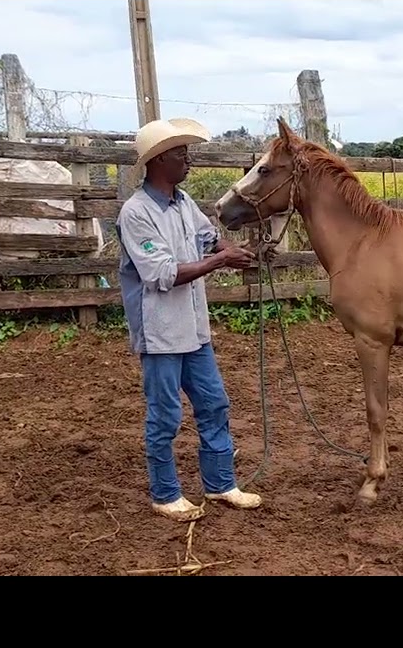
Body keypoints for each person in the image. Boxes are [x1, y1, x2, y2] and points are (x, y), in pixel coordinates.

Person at [116, 117, 262, 523]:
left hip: (194, 329)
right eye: (182, 155)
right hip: (161, 330)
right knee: (164, 413)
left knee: (214, 404)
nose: (188, 162)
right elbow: (161, 274)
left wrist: (241, 252)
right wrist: (221, 260)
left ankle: (220, 485)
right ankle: (165, 494)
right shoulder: (136, 213)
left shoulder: (184, 204)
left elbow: (209, 240)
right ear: (159, 160)